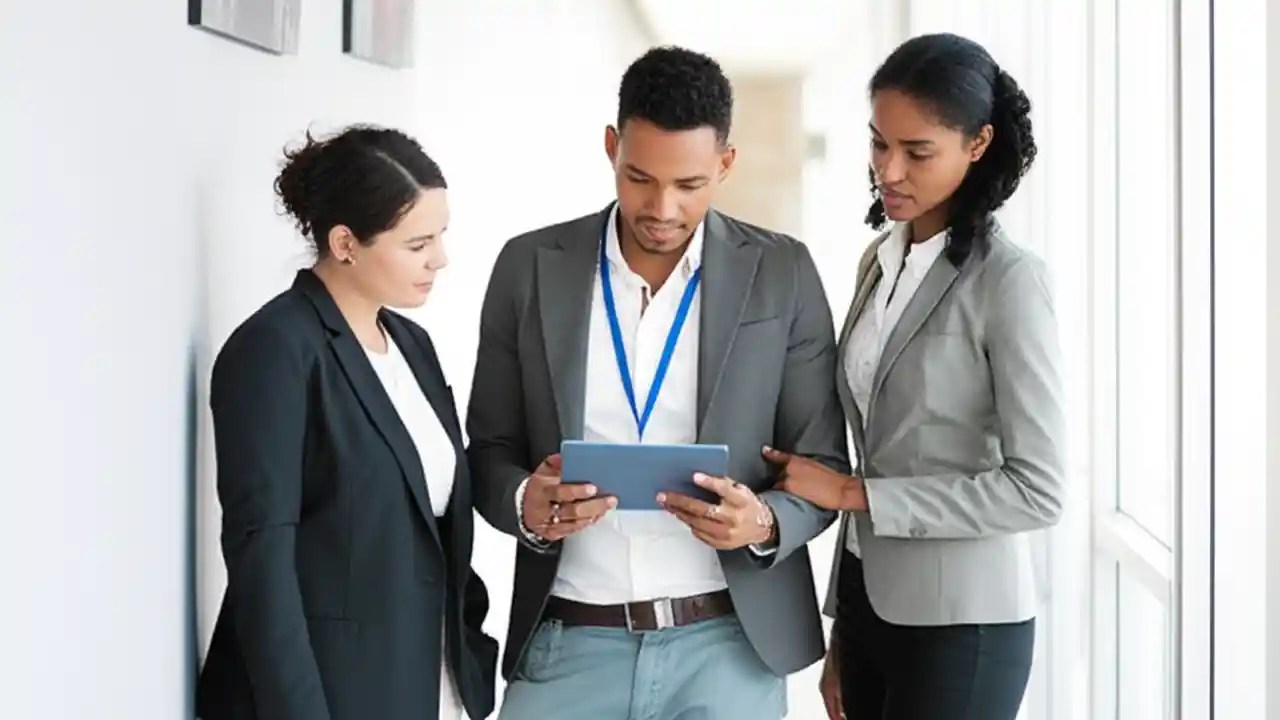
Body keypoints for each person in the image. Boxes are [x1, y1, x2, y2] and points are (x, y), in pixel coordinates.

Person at [466, 46, 850, 719]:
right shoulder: (528, 266)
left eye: (689, 184)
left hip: (729, 652)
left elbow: (821, 465)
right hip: (569, 643)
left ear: (725, 164)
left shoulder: (783, 273)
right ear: (611, 147)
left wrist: (762, 522)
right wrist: (526, 502)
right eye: (640, 177)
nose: (663, 208)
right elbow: (488, 450)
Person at [763, 33, 1067, 720]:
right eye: (879, 144)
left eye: (917, 152)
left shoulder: (1011, 282)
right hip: (870, 607)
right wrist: (844, 625)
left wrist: (852, 493)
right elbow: (879, 443)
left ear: (978, 143)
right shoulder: (879, 259)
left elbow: (1037, 490)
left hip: (965, 626)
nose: (889, 170)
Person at [196, 125, 497, 720]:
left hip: (428, 687)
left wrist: (470, 648)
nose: (440, 259)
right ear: (345, 243)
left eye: (441, 236)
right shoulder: (275, 349)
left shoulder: (412, 345)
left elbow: (434, 525)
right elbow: (262, 560)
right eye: (417, 243)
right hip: (328, 697)